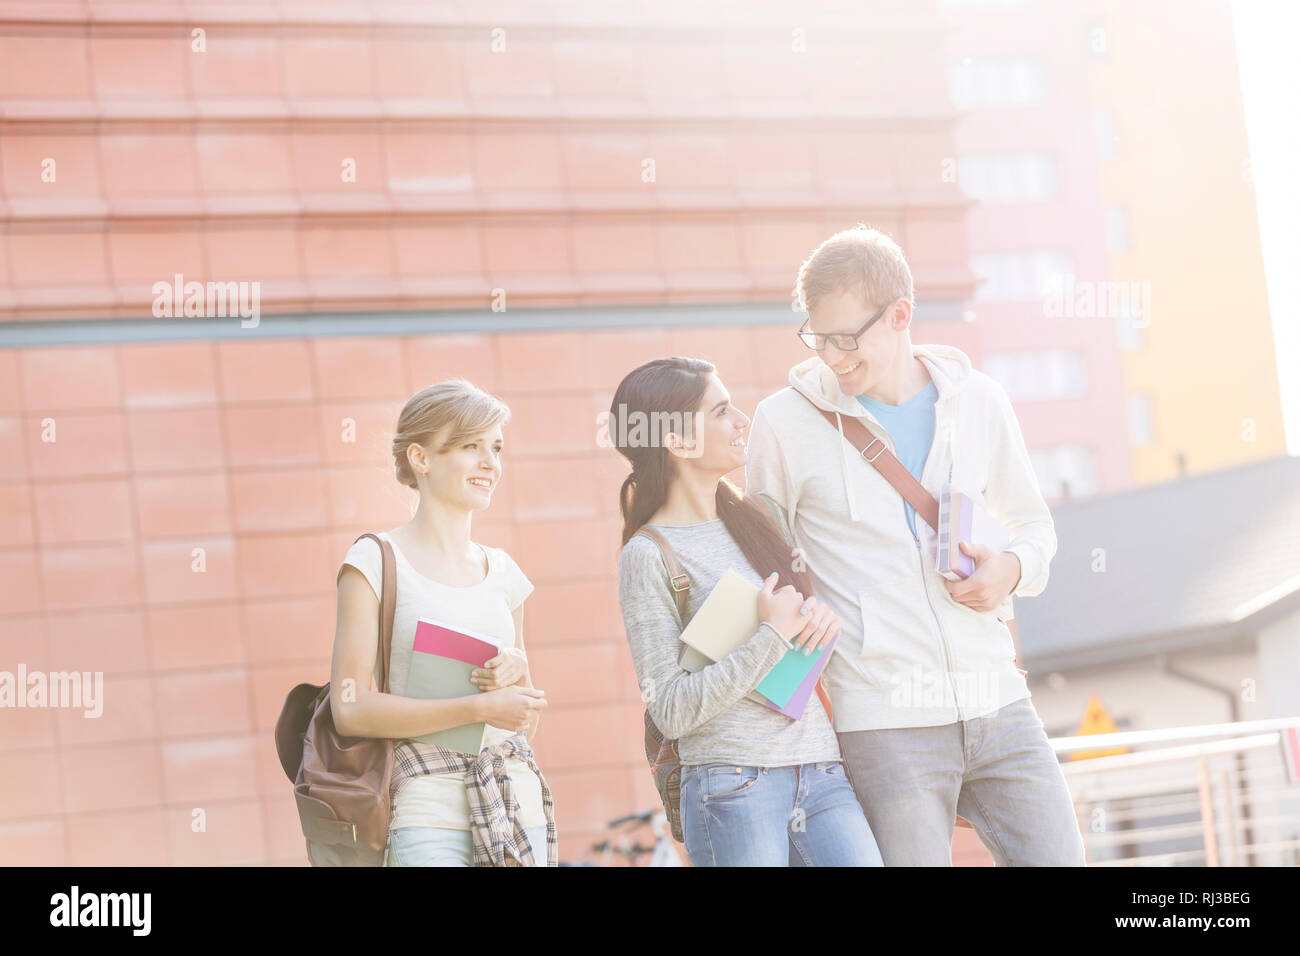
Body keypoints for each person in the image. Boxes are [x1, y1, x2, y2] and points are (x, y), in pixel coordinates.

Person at [745, 224, 1087, 866]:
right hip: (883, 721)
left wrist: (1011, 569)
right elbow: (761, 561)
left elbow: (1034, 526)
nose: (833, 357)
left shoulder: (980, 402)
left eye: (847, 339)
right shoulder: (783, 424)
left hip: (1001, 704)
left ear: (900, 315)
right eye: (818, 339)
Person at [612, 356, 884, 867]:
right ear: (678, 441)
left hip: (820, 769)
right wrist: (771, 636)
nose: (742, 421)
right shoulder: (649, 555)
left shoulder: (756, 518)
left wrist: (817, 625)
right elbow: (670, 708)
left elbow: (792, 649)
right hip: (732, 783)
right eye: (721, 412)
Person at [330, 379, 555, 866]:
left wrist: (515, 679)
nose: (490, 462)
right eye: (470, 446)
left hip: (517, 808)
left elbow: (524, 722)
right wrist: (477, 707)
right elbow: (349, 709)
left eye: (496, 447)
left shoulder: (504, 573)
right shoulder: (373, 561)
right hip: (427, 813)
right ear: (421, 458)